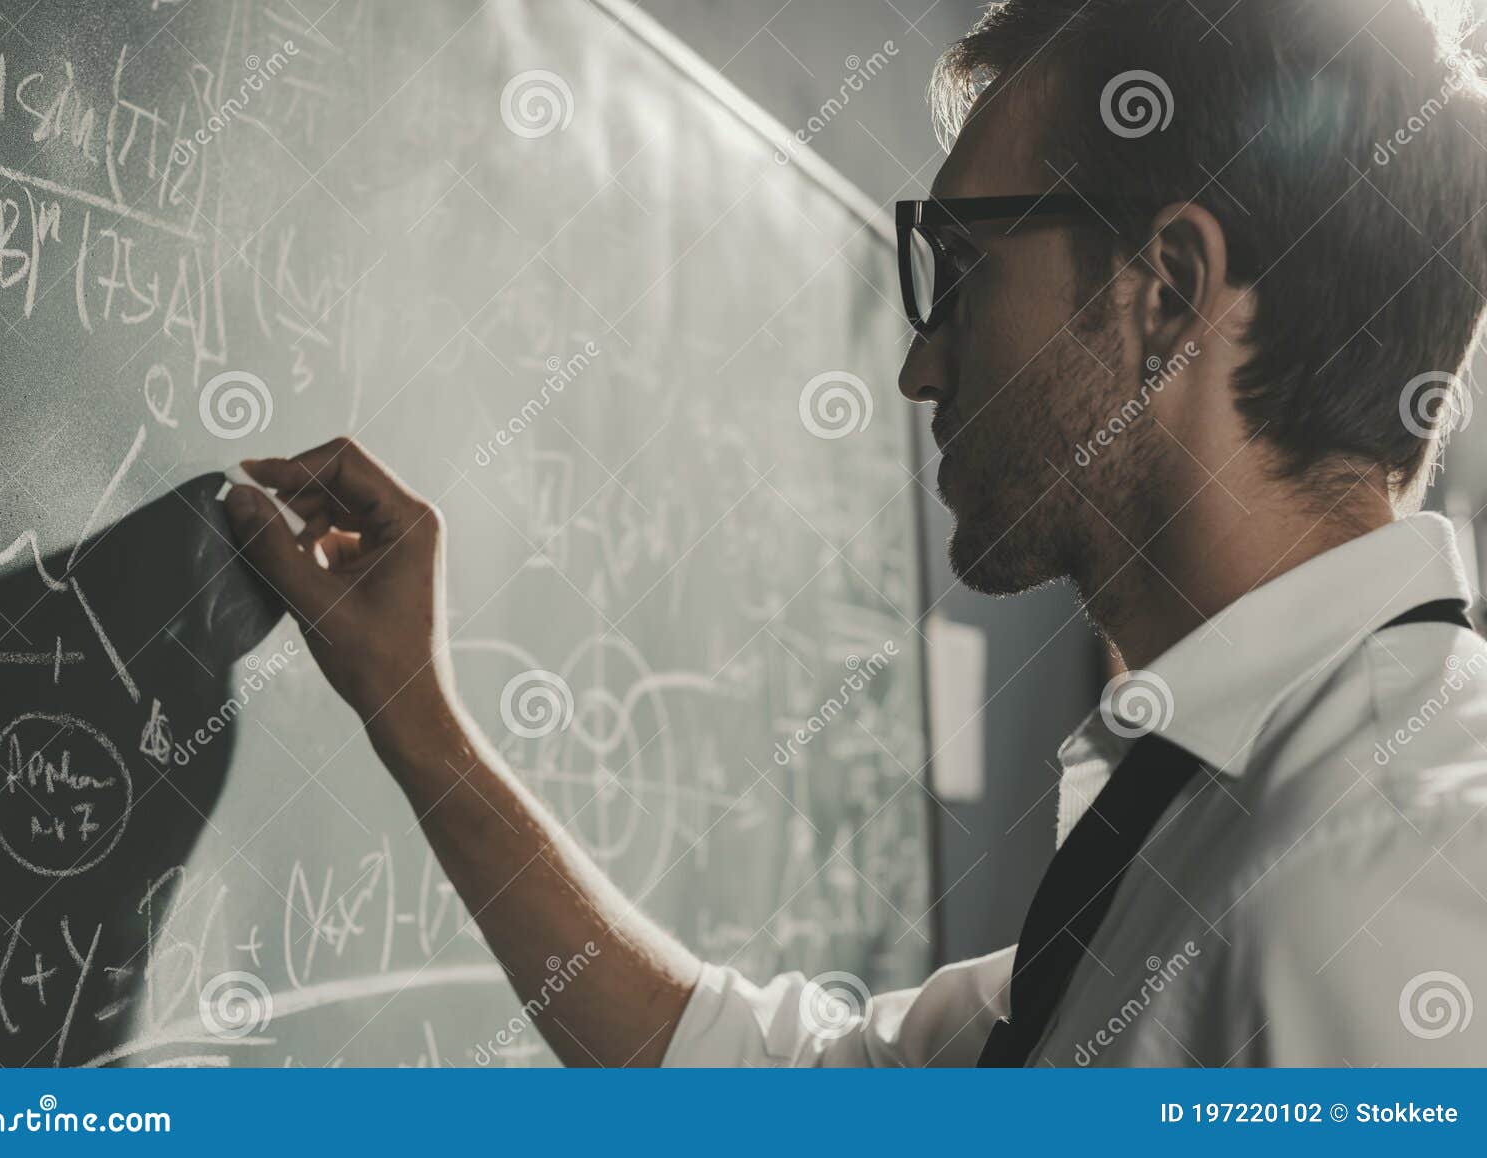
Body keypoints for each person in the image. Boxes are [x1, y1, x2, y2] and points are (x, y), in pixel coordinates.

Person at [223, 0, 1487, 1066]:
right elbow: (769, 1078)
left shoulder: (1385, 870)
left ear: (1164, 291)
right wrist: (413, 712)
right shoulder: (1210, 811)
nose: (921, 369)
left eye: (963, 268)